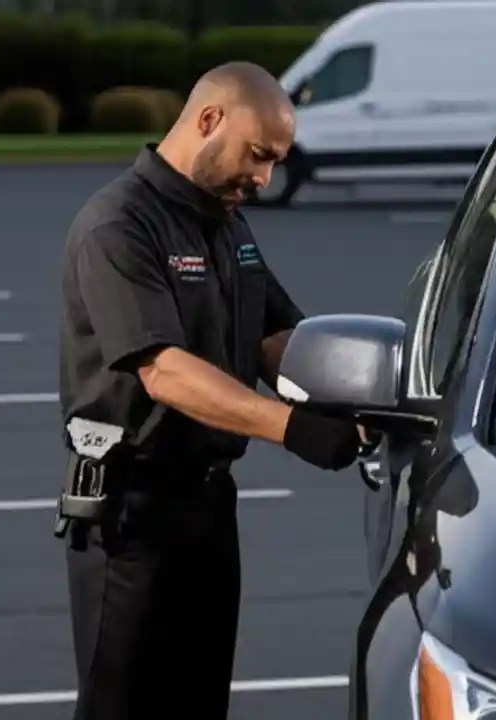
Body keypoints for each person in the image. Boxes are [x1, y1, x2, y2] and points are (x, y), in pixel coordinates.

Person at [56, 60, 365, 720]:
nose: (265, 179)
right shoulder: (120, 226)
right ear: (208, 120)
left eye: (276, 161)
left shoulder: (227, 225)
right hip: (130, 515)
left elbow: (276, 340)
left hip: (207, 508)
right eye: (259, 156)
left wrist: (372, 394)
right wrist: (293, 426)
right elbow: (162, 368)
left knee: (197, 707)